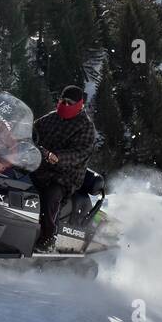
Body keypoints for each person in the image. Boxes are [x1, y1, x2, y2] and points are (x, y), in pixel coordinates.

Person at [30, 85, 97, 252]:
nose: (65, 105)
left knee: (51, 195)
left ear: (79, 105)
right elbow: (32, 128)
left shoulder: (86, 127)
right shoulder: (52, 118)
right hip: (41, 165)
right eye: (62, 101)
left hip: (66, 175)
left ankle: (48, 238)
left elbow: (79, 153)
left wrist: (57, 157)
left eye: (69, 103)